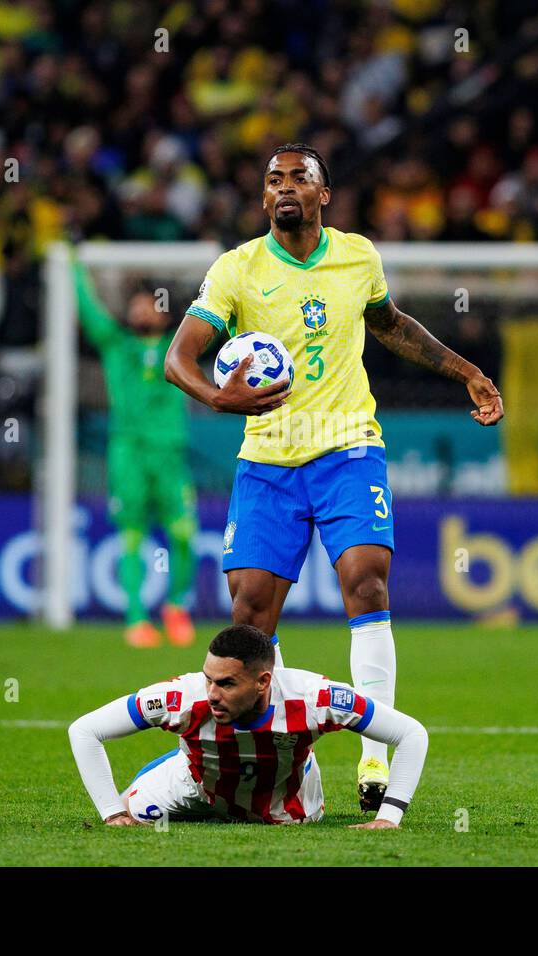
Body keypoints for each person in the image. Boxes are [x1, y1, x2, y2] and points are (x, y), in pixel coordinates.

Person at [164, 143, 503, 812]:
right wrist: (217, 399)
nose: (285, 188)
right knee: (250, 611)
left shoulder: (357, 257)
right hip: (268, 457)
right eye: (273, 180)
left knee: (366, 577)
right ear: (263, 199)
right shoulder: (237, 270)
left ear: (325, 194)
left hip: (349, 447)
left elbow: (392, 326)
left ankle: (375, 755)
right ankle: (289, 761)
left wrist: (465, 371)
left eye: (300, 178)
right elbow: (179, 359)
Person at [68, 623, 428, 826]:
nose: (211, 693)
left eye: (226, 684)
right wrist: (111, 813)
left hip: (287, 804)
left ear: (263, 682)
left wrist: (389, 818)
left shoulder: (314, 698)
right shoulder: (182, 698)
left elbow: (411, 734)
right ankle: (182, 762)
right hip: (195, 787)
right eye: (209, 678)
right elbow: (84, 731)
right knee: (137, 815)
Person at [74, 263, 198, 648]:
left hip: (169, 455)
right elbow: (88, 308)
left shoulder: (181, 346)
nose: (143, 312)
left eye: (151, 305)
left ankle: (176, 607)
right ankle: (135, 617)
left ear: (165, 313)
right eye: (137, 306)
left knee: (183, 533)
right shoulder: (116, 345)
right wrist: (75, 266)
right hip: (128, 451)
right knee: (131, 536)